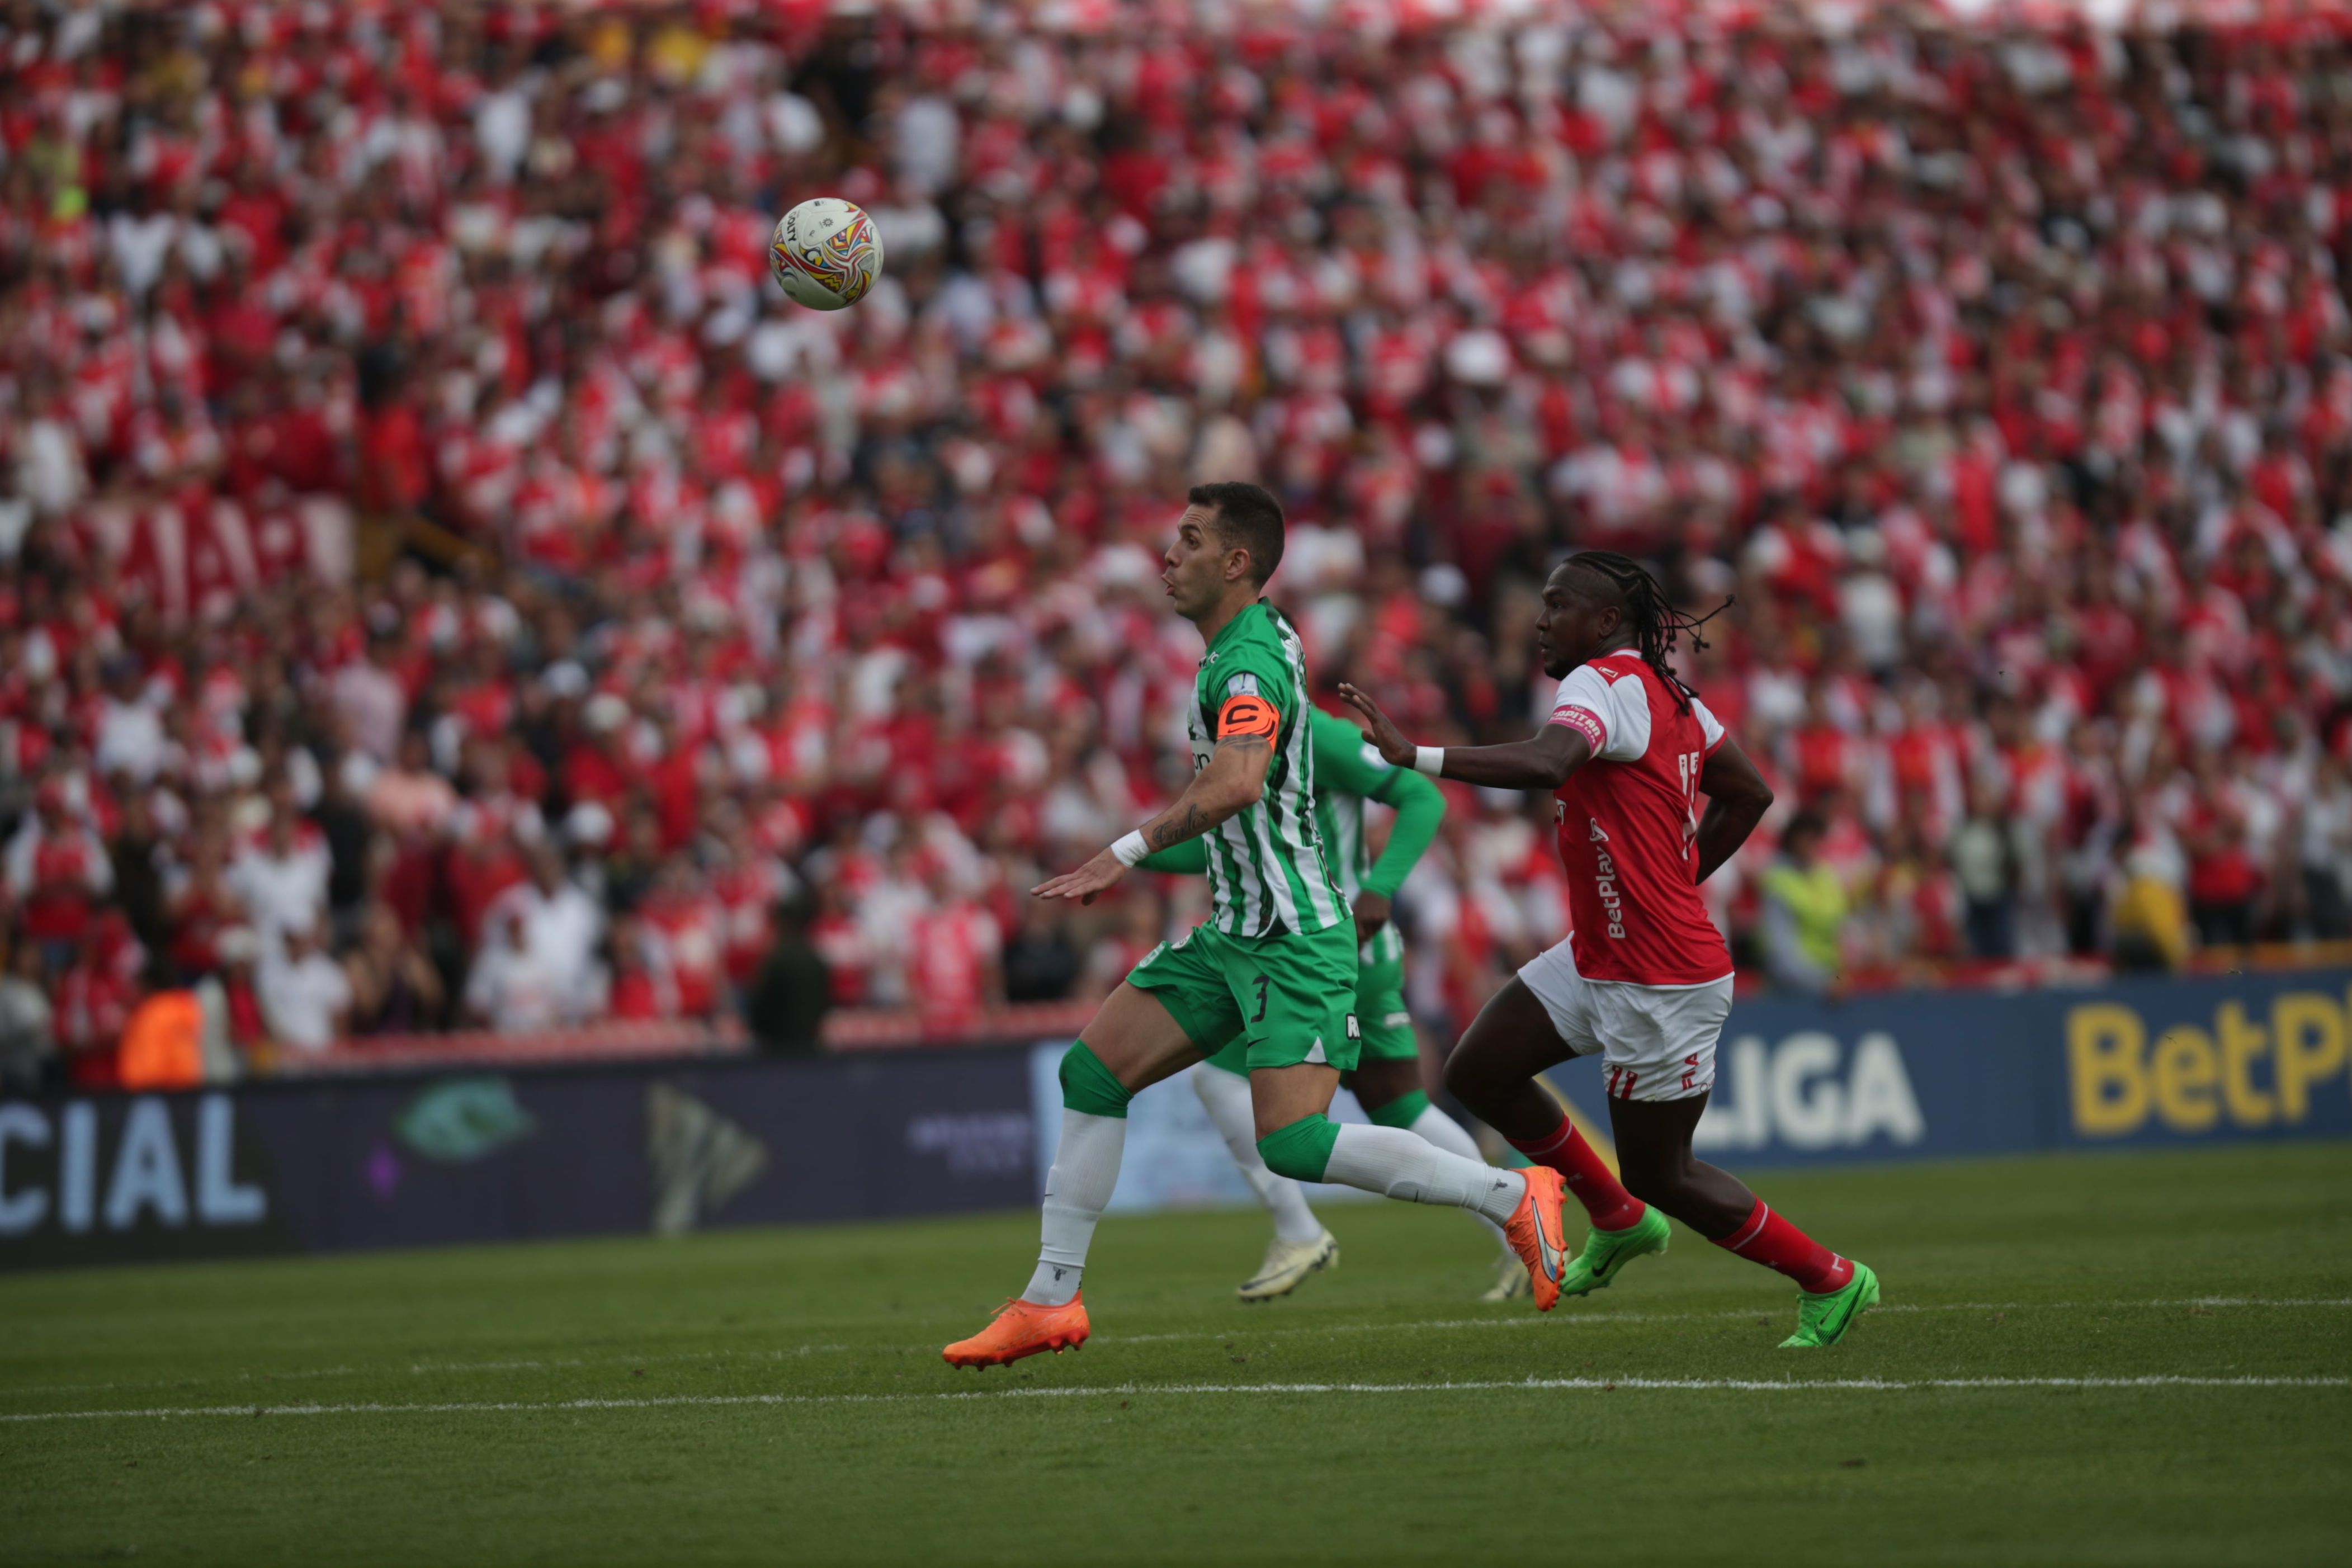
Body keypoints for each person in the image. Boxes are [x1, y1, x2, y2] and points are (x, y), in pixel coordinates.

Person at [943, 482, 1569, 1371]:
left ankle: (1511, 1193)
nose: (1168, 556)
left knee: (1296, 1140)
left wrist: (1124, 850)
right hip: (1233, 932)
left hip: (1295, 935)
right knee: (1092, 1072)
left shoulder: (1247, 666)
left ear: (1236, 562)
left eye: (1190, 540)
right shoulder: (1245, 645)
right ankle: (1050, 1299)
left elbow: (1235, 782)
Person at [1339, 551, 1878, 1350]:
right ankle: (1618, 1220)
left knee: (1666, 1174)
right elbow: (1749, 791)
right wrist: (1675, 873)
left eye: (1557, 605)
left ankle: (1830, 1277)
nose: (1538, 619)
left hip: (1659, 976)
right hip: (1601, 954)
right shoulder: (1672, 695)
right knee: (1478, 1072)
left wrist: (1415, 754)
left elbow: (1550, 761)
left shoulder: (1601, 684)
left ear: (1603, 623)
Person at [1140, 705, 1514, 1301]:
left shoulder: (1321, 736)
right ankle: (1520, 1233)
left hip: (1318, 951)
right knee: (1401, 1107)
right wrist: (1131, 852)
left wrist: (1379, 889)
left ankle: (1299, 1228)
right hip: (1325, 951)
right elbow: (1216, 848)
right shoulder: (1243, 749)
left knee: (1219, 1079)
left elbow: (1424, 799)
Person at [1759, 811, 1848, 996]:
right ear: (1792, 840)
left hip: (1831, 986)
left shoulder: (1826, 875)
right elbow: (1781, 956)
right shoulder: (1778, 881)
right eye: (1807, 837)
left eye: (1817, 837)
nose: (1813, 843)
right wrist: (1823, 983)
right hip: (1791, 992)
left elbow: (1843, 932)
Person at [743, 894, 833, 1053]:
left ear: (784, 923)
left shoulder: (776, 961)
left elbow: (760, 1009)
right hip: (809, 1046)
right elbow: (826, 1004)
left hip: (777, 1049)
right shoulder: (817, 960)